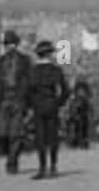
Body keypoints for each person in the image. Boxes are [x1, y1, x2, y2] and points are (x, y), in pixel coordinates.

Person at [0, 30, 33, 174]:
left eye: (12, 43)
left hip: (18, 99)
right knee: (2, 133)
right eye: (8, 44)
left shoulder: (25, 61)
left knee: (16, 133)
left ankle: (12, 161)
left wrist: (30, 103)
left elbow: (30, 82)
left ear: (16, 44)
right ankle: (9, 154)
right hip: (3, 99)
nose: (10, 47)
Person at [25, 40, 70, 179]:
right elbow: (66, 90)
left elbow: (27, 91)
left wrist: (30, 106)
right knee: (53, 137)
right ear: (50, 54)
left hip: (38, 106)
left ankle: (42, 167)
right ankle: (54, 166)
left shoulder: (32, 71)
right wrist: (59, 103)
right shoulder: (56, 70)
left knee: (40, 138)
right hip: (52, 105)